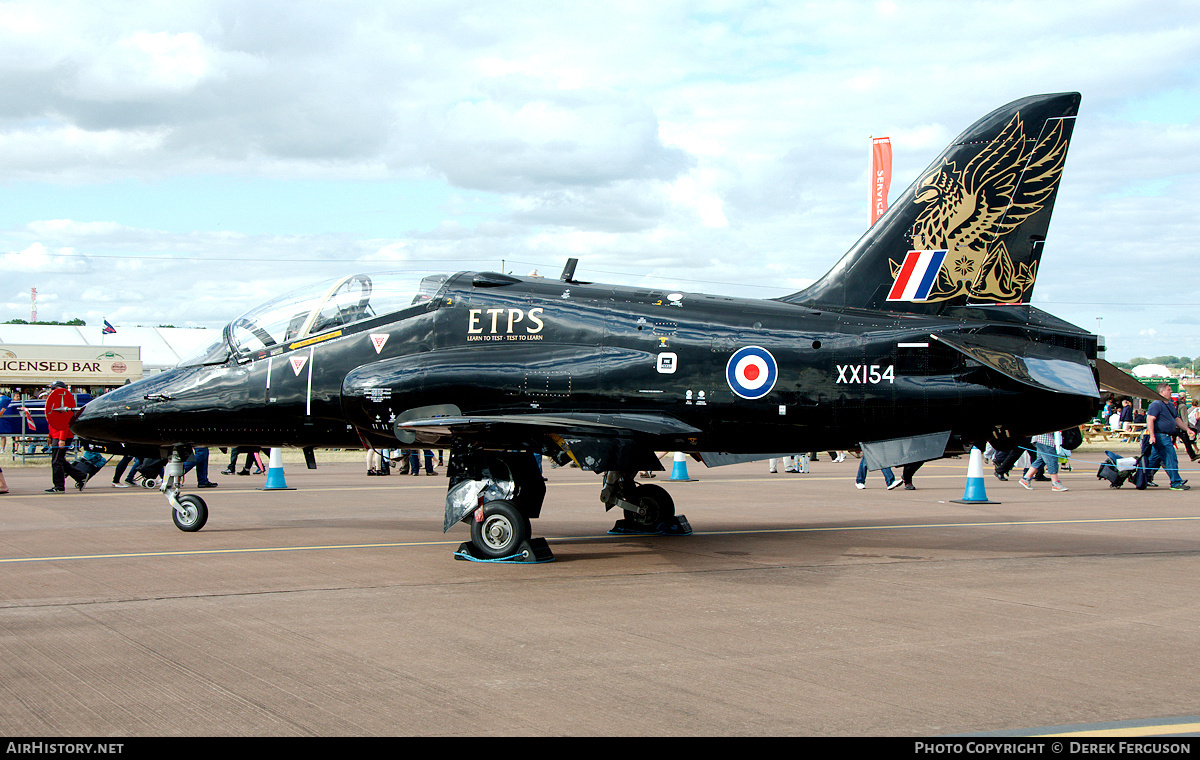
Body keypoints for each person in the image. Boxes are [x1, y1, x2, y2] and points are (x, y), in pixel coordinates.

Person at [1144, 384, 1189, 491]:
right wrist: (1152, 436)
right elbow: (1150, 419)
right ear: (1162, 392)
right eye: (1169, 390)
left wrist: (1187, 429)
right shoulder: (1156, 404)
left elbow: (1177, 419)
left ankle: (1141, 478)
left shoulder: (1169, 404)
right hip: (1160, 436)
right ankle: (1175, 482)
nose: (1171, 391)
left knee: (1154, 460)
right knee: (1170, 458)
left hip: (1166, 436)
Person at [44, 382, 75, 493]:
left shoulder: (65, 402)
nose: (52, 391)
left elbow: (65, 423)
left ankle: (59, 486)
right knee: (59, 460)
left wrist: (62, 439)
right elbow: (52, 421)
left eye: (54, 389)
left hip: (62, 436)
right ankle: (81, 476)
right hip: (56, 436)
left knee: (57, 462)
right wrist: (50, 436)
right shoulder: (55, 402)